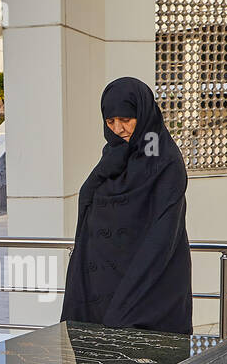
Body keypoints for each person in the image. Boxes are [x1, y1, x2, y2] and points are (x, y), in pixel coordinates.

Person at [60, 76, 192, 335]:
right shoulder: (114, 153)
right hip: (102, 285)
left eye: (126, 119)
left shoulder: (166, 161)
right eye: (111, 121)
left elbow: (162, 235)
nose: (118, 129)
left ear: (142, 114)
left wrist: (126, 301)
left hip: (148, 287)